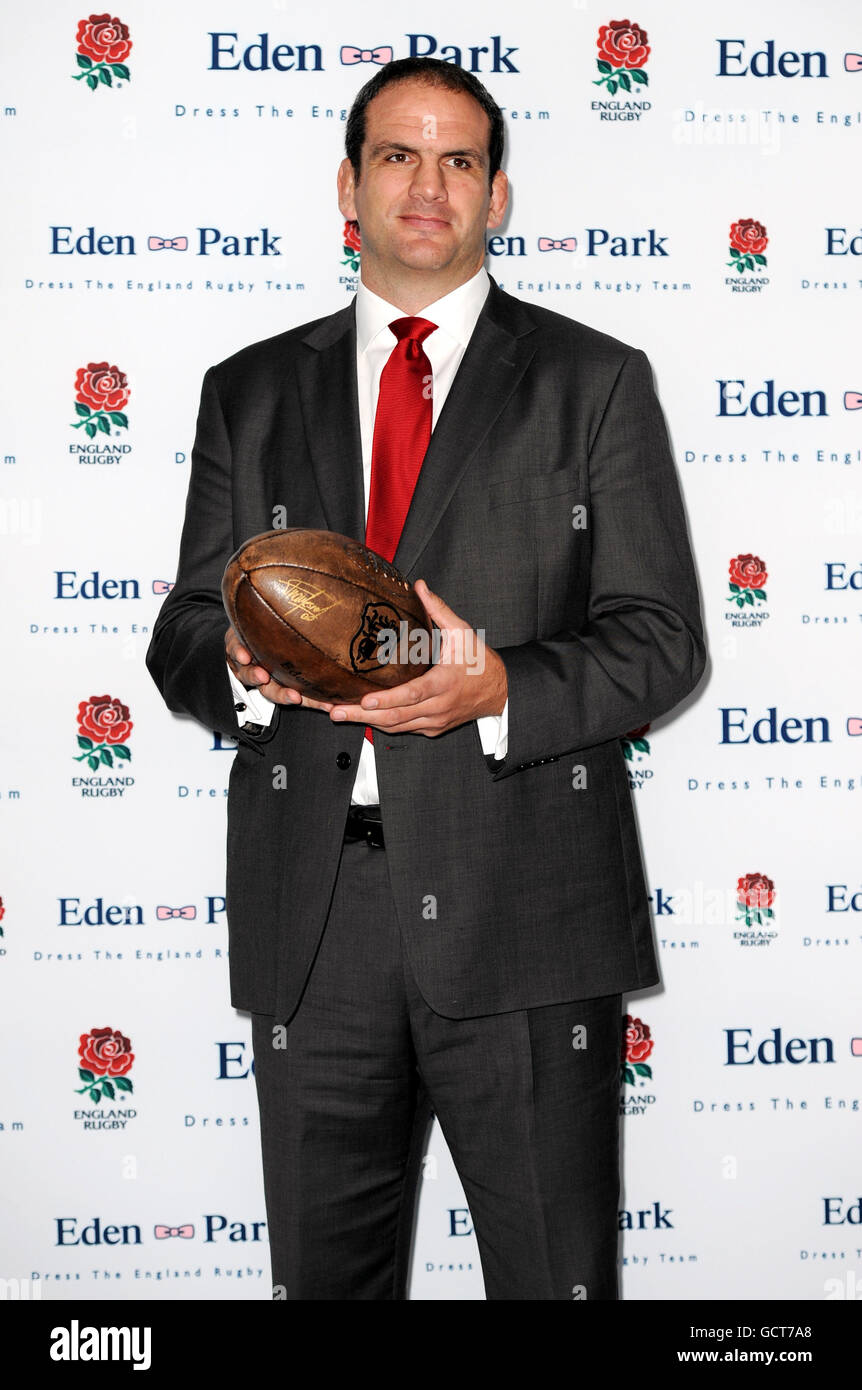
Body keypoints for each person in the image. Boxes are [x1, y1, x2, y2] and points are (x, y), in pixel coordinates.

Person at [146, 56, 706, 1301]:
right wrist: (239, 664)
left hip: (526, 914)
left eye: (459, 160)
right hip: (317, 920)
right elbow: (183, 624)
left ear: (497, 195)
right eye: (398, 154)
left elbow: (661, 637)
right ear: (347, 184)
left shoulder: (592, 381)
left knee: (553, 1280)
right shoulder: (247, 390)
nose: (427, 183)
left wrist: (496, 686)